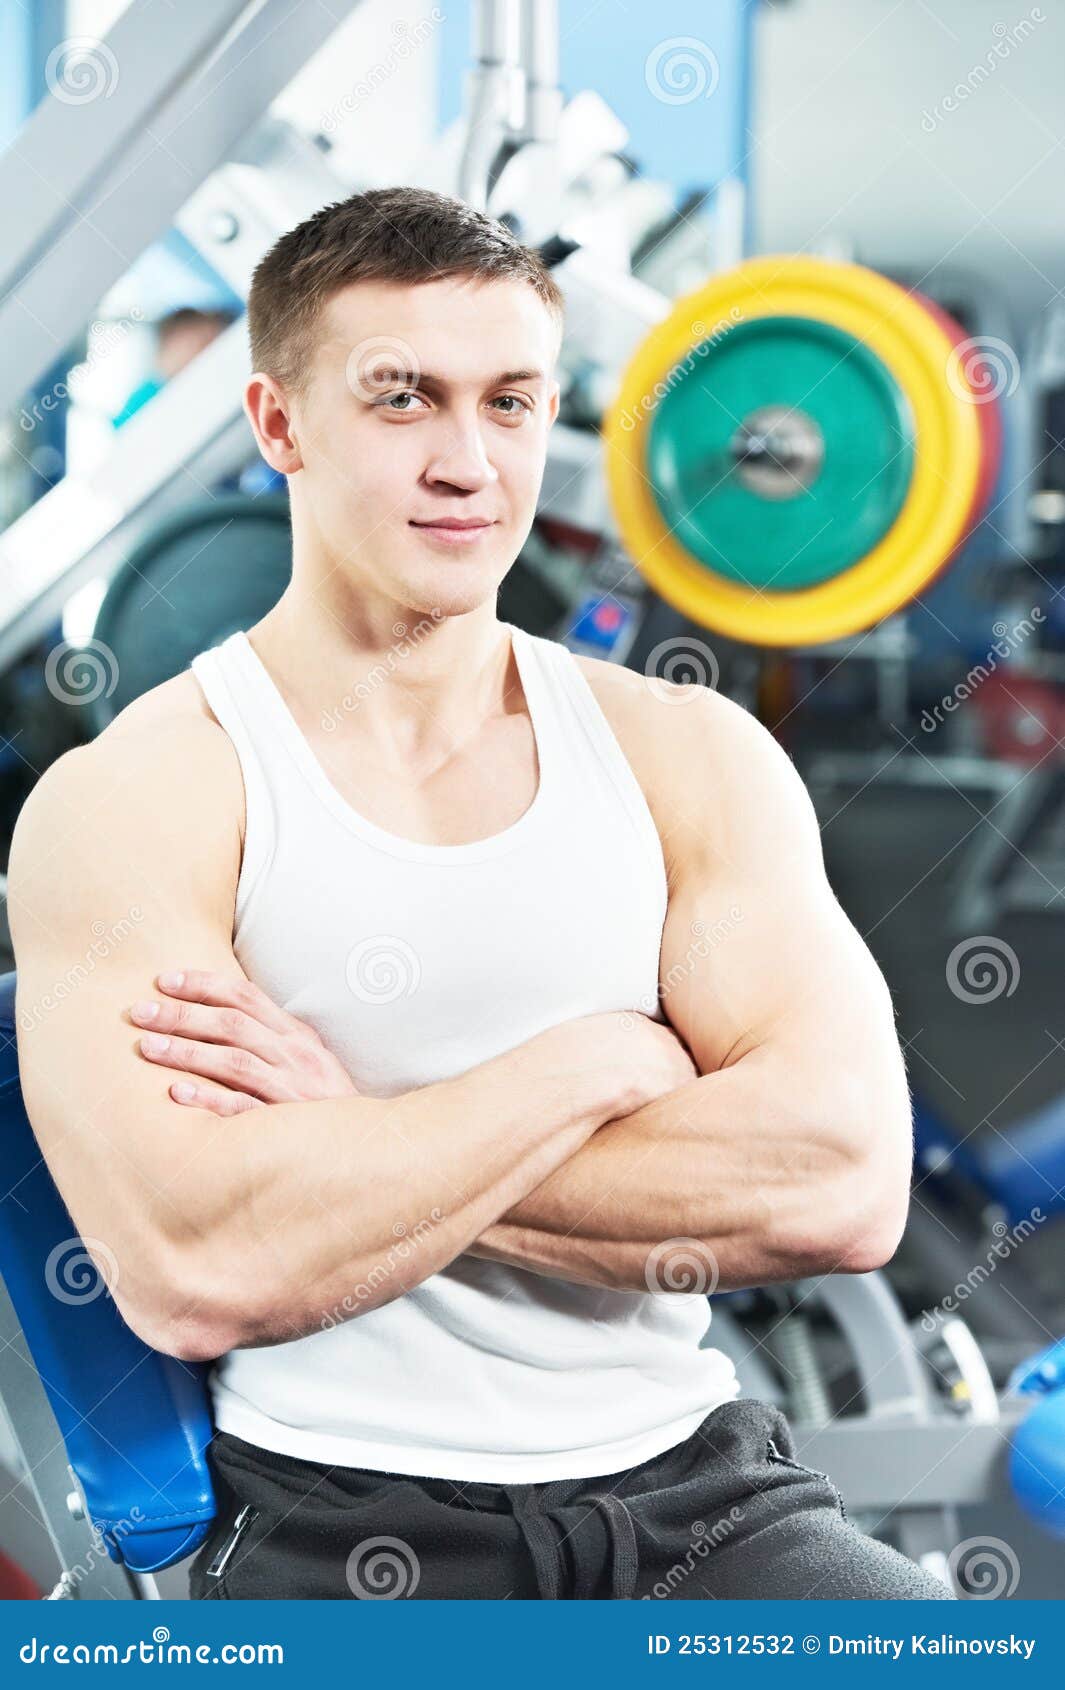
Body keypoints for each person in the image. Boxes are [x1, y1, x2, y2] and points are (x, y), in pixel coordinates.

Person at [8, 187, 951, 1602]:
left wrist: (354, 1134)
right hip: (342, 1520)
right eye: (402, 399)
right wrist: (591, 1065)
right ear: (279, 426)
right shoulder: (144, 797)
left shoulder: (684, 754)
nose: (468, 461)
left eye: (510, 401)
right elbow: (199, 1262)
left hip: (704, 1496)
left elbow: (840, 1180)